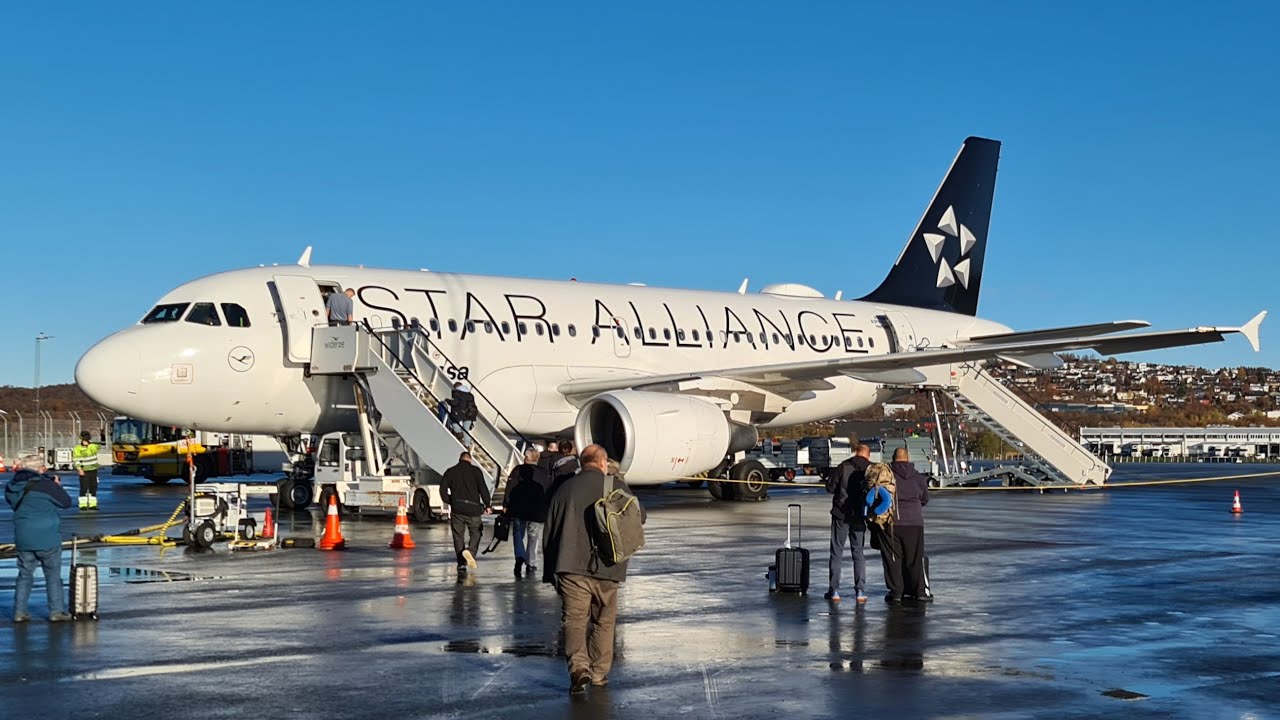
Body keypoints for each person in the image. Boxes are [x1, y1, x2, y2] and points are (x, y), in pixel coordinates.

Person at [542, 444, 645, 693]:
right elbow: (639, 517)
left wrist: (550, 572)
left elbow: (550, 531)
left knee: (575, 620)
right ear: (603, 462)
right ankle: (599, 672)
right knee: (604, 621)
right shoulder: (615, 487)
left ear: (581, 462)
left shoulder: (564, 489)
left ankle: (579, 668)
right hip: (609, 567)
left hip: (570, 566)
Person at [5, 455, 73, 622]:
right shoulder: (46, 486)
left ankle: (19, 612)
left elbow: (13, 502)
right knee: (52, 575)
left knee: (24, 575)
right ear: (39, 468)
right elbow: (66, 503)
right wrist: (57, 486)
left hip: (23, 536)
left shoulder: (11, 486)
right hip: (47, 536)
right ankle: (56, 611)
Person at [876, 447, 931, 605]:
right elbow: (925, 499)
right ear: (907, 459)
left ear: (893, 459)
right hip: (914, 523)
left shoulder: (887, 475)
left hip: (892, 522)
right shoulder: (918, 477)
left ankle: (896, 592)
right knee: (914, 558)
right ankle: (918, 591)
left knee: (893, 559)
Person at [825, 443, 871, 603]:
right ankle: (860, 591)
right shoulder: (871, 470)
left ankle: (834, 590)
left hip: (841, 514)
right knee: (858, 553)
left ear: (855, 453)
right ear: (868, 455)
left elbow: (830, 488)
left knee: (837, 552)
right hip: (860, 515)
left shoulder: (843, 467)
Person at [440, 451, 491, 575]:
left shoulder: (450, 471)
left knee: (458, 536)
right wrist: (487, 504)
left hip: (457, 509)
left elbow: (442, 489)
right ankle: (471, 551)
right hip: (473, 509)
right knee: (476, 533)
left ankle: (461, 563)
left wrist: (450, 501)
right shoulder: (476, 471)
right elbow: (483, 488)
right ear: (470, 460)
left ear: (460, 459)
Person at [504, 447, 552, 579]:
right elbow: (548, 492)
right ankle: (531, 562)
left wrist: (506, 505)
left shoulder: (517, 471)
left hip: (520, 509)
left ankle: (519, 556)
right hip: (537, 511)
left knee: (518, 534)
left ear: (526, 458)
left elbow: (509, 489)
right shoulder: (544, 473)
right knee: (533, 537)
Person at [72, 430, 100, 510]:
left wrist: (102, 435)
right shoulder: (78, 448)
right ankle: (83, 504)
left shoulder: (93, 446)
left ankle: (92, 504)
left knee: (93, 487)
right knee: (84, 487)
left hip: (93, 469)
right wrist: (79, 469)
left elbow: (102, 444)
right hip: (84, 470)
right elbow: (76, 460)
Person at [448, 381, 478, 449]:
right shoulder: (470, 394)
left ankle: (459, 433)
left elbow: (454, 403)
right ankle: (467, 444)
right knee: (466, 429)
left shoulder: (457, 393)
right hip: (469, 414)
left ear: (456, 387)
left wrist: (448, 401)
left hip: (459, 413)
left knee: (454, 423)